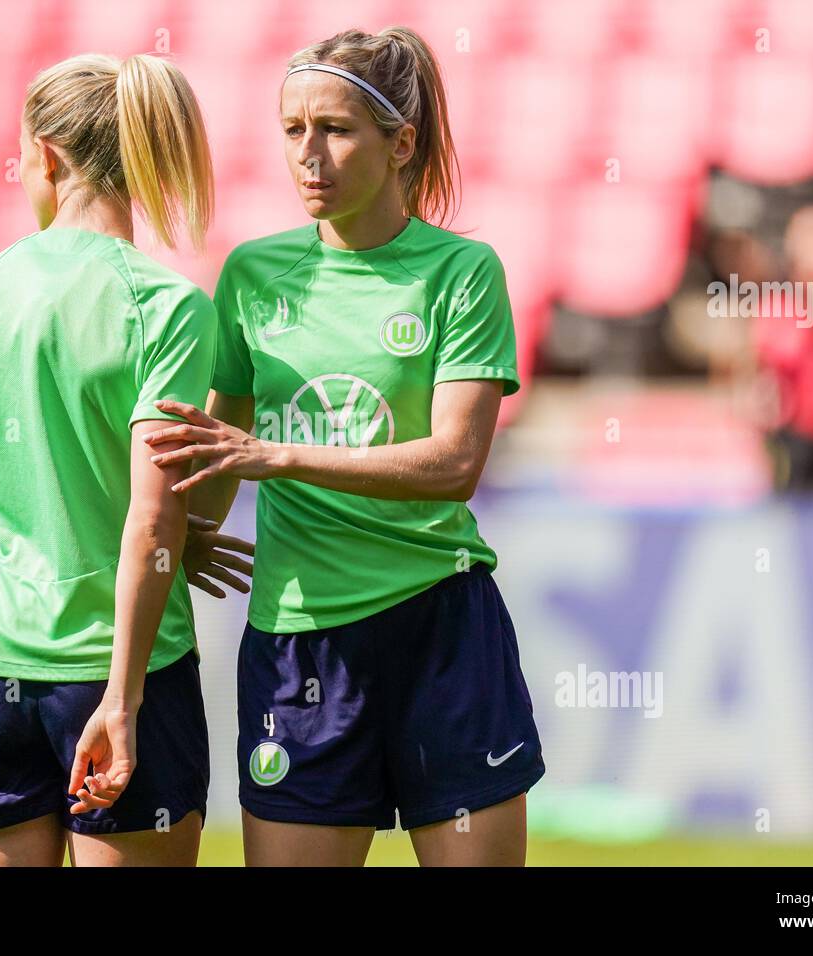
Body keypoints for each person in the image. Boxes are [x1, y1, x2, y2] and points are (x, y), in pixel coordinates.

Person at [144, 27, 545, 866]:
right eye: (293, 131)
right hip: (299, 641)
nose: (308, 155)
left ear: (401, 142)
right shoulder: (252, 275)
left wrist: (277, 456)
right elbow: (213, 461)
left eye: (335, 129)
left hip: (441, 625)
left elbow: (453, 467)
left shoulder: (461, 273)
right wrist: (171, 533)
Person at [0, 53, 249, 867]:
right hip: (123, 672)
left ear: (49, 154)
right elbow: (153, 516)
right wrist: (124, 702)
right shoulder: (169, 308)